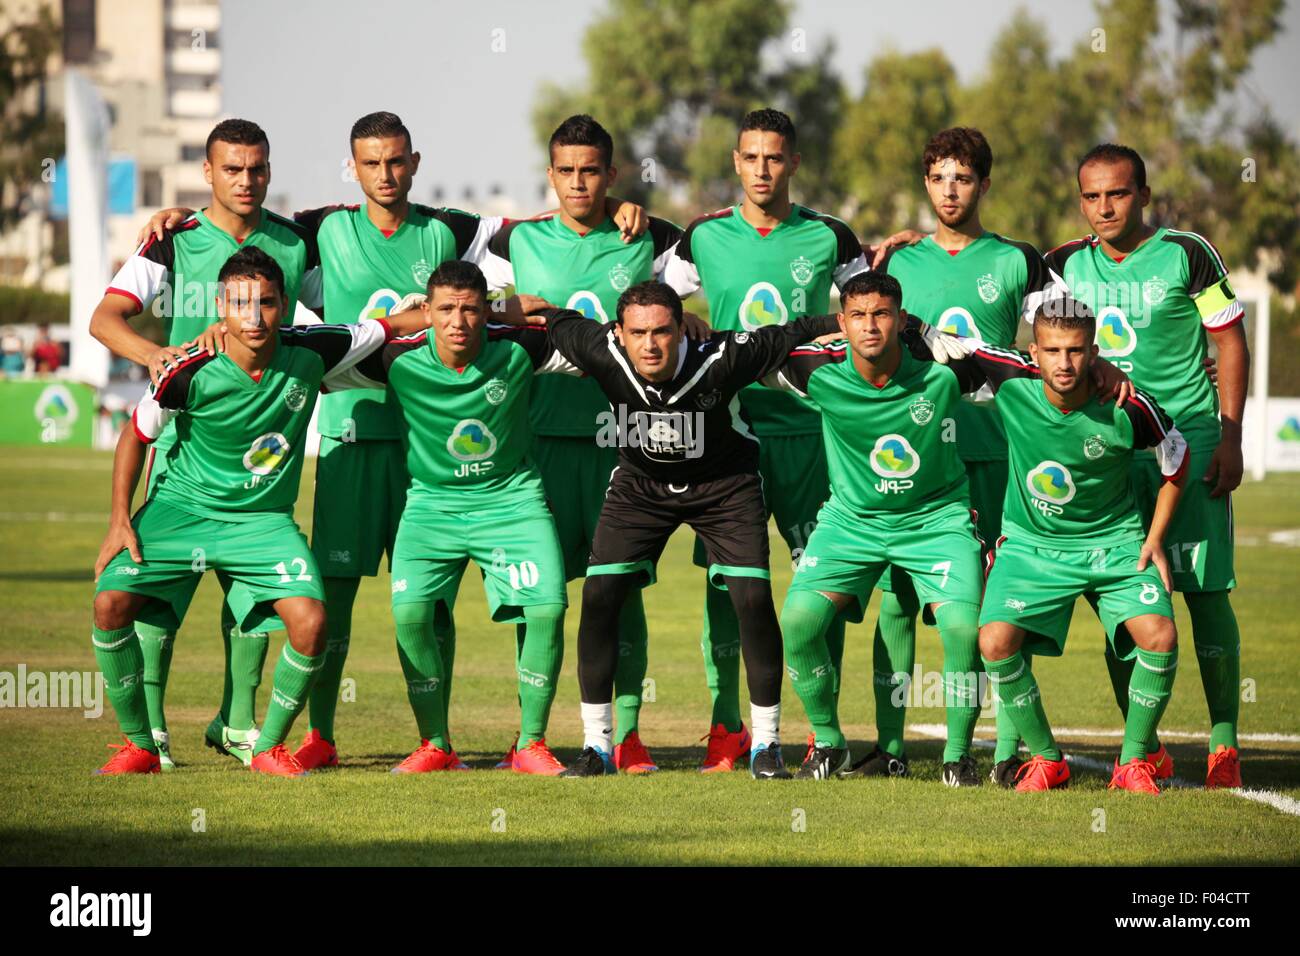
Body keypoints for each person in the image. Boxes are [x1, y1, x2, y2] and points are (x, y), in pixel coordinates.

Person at [90, 247, 422, 775]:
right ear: (221, 305)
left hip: (262, 520)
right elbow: (135, 436)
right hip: (182, 507)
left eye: (267, 303)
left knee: (311, 622)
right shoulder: (184, 368)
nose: (254, 317)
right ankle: (139, 745)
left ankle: (267, 745)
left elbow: (382, 328)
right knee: (110, 604)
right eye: (241, 303)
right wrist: (119, 521)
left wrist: (476, 308)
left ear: (284, 305)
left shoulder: (312, 351)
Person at [90, 118, 318, 769]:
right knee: (160, 600)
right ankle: (152, 732)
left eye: (259, 169)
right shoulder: (174, 240)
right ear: (208, 174)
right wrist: (158, 355)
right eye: (233, 169)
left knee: (253, 598)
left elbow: (333, 320)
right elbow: (104, 319)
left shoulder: (297, 242)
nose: (247, 181)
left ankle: (238, 723)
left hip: (261, 449)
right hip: (181, 446)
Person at [479, 114, 691, 773]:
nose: (578, 183)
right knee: (535, 595)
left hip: (621, 445)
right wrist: (514, 307)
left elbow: (694, 317)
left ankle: (625, 735)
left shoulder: (650, 239)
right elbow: (469, 309)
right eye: (566, 171)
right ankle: (530, 738)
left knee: (619, 591)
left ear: (612, 174)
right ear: (550, 176)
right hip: (534, 443)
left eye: (591, 170)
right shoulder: (513, 241)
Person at [660, 108, 871, 771]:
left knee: (820, 583)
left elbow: (869, 306)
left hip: (813, 434)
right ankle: (728, 729)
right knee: (729, 586)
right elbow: (652, 308)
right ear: (734, 162)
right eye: (750, 157)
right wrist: (686, 317)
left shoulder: (831, 236)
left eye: (774, 157)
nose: (762, 169)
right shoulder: (703, 237)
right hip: (729, 433)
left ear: (794, 164)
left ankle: (820, 732)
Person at [868, 127, 1065, 785]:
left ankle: (1008, 752)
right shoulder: (894, 264)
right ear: (925, 183)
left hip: (1000, 454)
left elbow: (1057, 344)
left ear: (983, 183)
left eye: (962, 177)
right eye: (937, 177)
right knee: (899, 597)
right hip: (916, 456)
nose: (949, 190)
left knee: (1003, 600)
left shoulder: (1020, 260)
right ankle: (893, 747)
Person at [1046, 143, 1248, 788]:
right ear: (1080, 201)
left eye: (1119, 193)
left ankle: (1223, 745)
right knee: (1122, 598)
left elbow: (1229, 339)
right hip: (1106, 453)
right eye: (1093, 196)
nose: (1105, 207)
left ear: (1145, 196)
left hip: (1186, 443)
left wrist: (1231, 435)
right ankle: (1147, 746)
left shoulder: (1188, 253)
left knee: (1206, 591)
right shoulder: (1060, 266)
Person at [331, 260, 582, 774]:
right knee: (411, 616)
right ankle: (436, 744)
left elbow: (600, 346)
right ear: (428, 311)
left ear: (485, 311)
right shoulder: (395, 359)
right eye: (445, 309)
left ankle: (529, 744)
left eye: (471, 309)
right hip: (430, 506)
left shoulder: (518, 347)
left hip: (512, 501)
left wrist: (683, 326)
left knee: (548, 609)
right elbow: (313, 358)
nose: (458, 322)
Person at [973, 297, 1188, 794]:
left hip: (1114, 543)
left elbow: (1177, 459)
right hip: (1032, 545)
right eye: (1052, 350)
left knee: (1160, 635)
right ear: (1034, 350)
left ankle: (1133, 761)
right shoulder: (1009, 377)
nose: (1064, 363)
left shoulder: (1129, 404)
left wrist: (1154, 540)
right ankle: (1049, 760)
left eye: (1075, 351)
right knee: (994, 643)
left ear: (1094, 351)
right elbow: (935, 342)